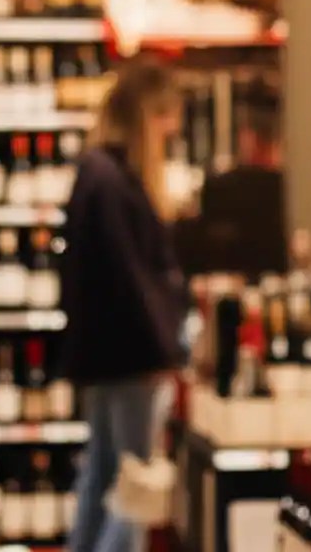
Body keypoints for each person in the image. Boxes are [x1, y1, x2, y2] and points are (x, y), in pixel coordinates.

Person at [62, 66, 187, 552]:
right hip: (130, 355)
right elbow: (134, 279)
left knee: (103, 473)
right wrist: (164, 350)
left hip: (102, 355)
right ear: (147, 118)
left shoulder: (96, 172)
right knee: (137, 487)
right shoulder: (114, 182)